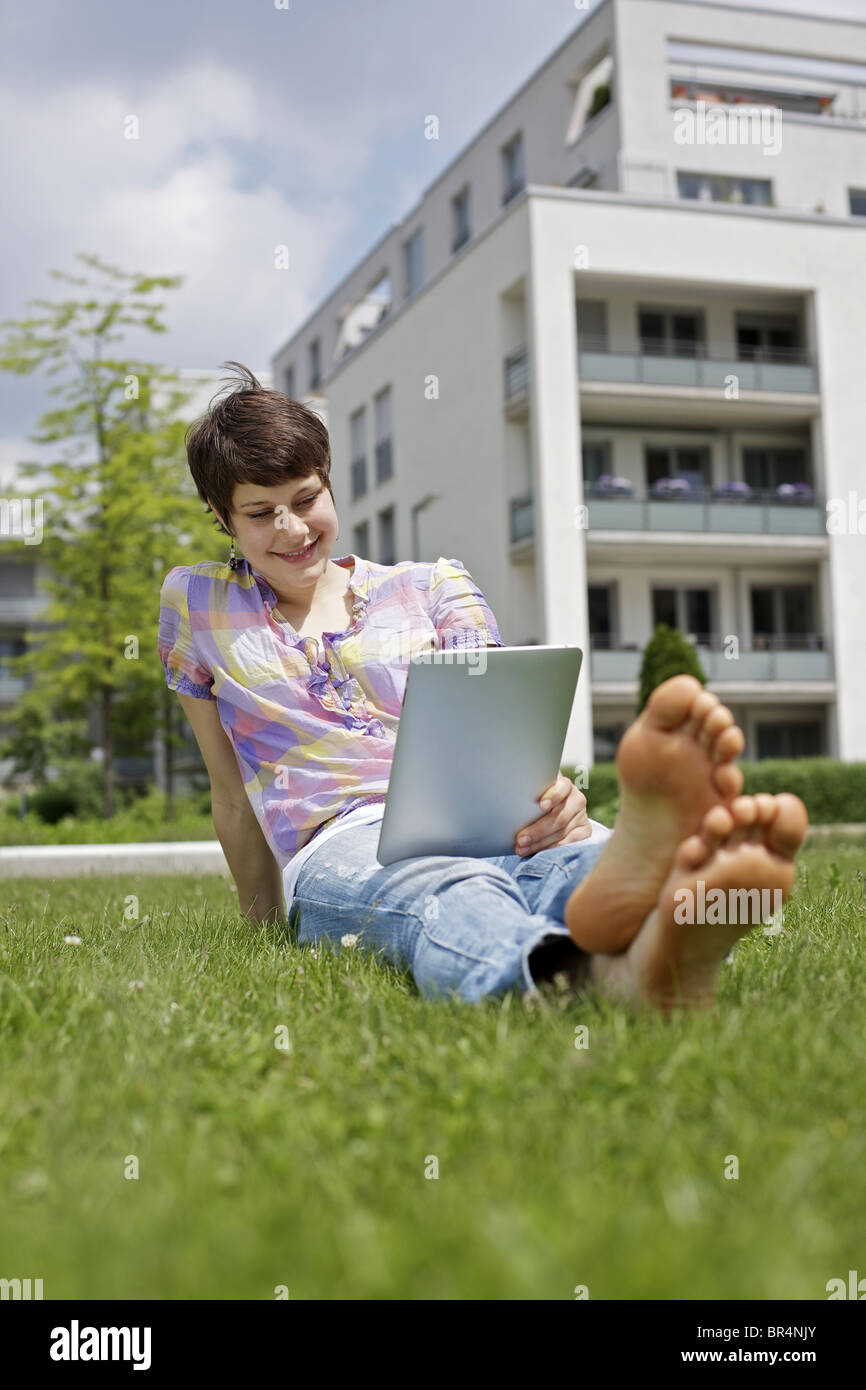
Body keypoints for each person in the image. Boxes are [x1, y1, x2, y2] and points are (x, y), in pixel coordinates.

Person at [158, 363, 809, 1017]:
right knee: (448, 887)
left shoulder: (434, 587)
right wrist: (265, 929)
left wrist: (555, 800)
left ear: (328, 480)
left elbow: (504, 735)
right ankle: (612, 971)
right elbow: (231, 794)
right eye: (262, 514)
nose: (294, 530)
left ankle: (640, 891)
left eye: (306, 500)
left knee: (560, 862)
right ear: (221, 516)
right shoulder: (198, 606)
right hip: (340, 838)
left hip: (489, 819)